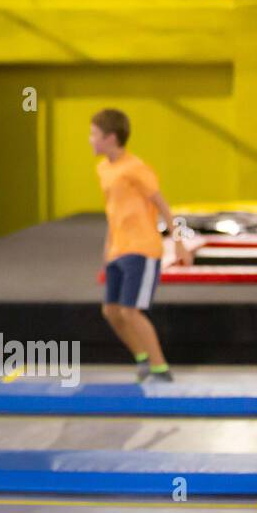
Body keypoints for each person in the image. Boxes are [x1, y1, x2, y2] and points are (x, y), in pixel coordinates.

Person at [90, 107, 192, 382]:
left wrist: (179, 243)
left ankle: (160, 368)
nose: (90, 140)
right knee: (111, 311)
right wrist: (107, 247)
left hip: (142, 248)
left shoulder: (136, 168)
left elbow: (164, 207)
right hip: (117, 249)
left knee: (130, 311)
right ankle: (142, 357)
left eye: (94, 134)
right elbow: (114, 211)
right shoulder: (102, 169)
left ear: (110, 138)